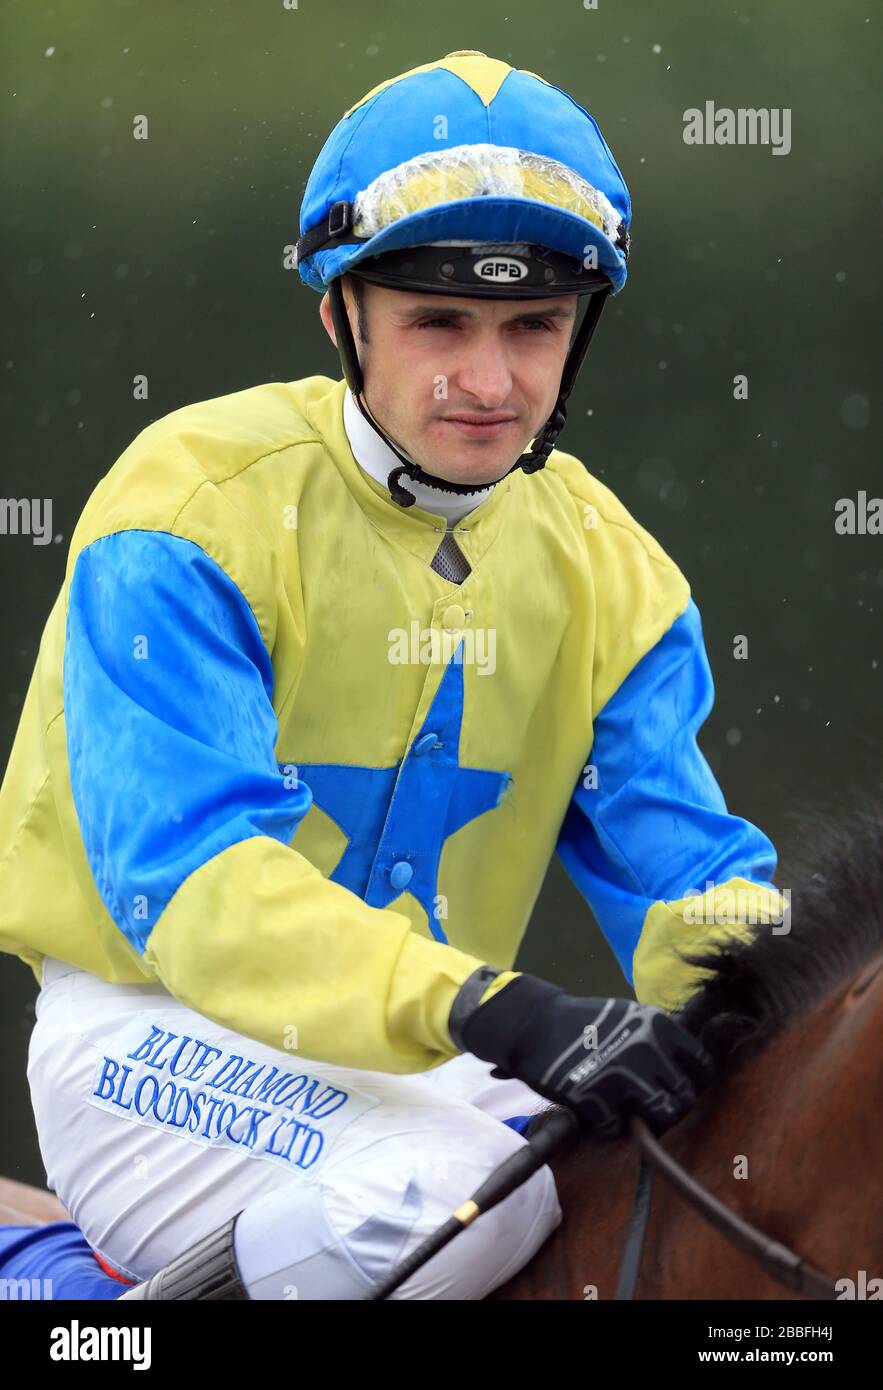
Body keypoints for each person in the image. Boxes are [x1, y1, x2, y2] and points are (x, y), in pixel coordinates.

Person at [0, 50, 785, 1300]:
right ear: (341, 316)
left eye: (533, 327)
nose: (489, 382)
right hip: (150, 1033)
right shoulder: (189, 507)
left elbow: (686, 880)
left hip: (432, 1056)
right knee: (450, 1200)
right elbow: (196, 887)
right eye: (439, 322)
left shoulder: (614, 570)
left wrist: (813, 995)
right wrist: (502, 1010)